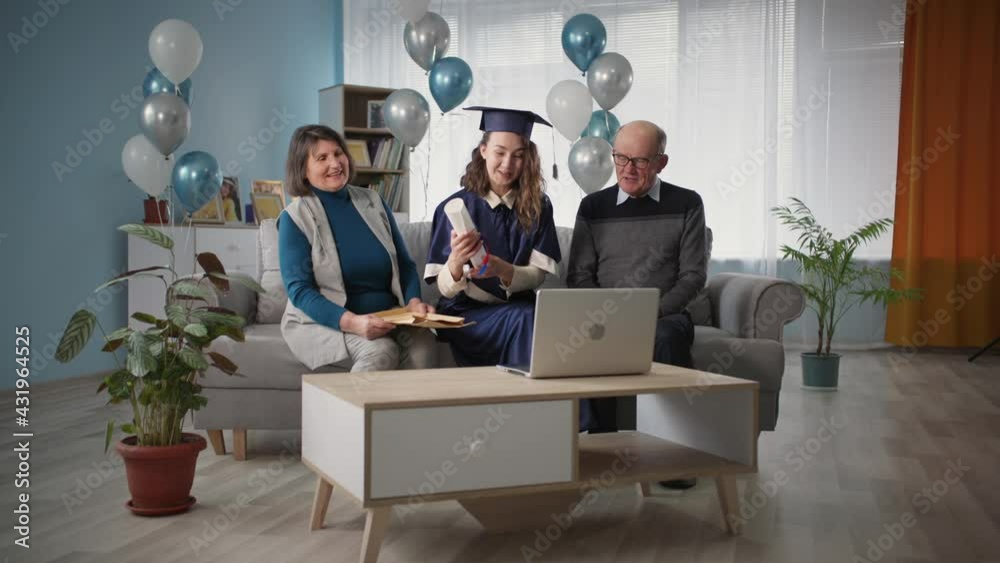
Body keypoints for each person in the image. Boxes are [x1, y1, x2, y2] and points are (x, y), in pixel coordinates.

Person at [567, 120, 707, 486]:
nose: (628, 169)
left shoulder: (687, 203)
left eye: (640, 161)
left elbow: (693, 276)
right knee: (588, 336)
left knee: (664, 338)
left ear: (661, 162)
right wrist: (609, 314)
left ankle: (675, 457)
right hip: (604, 315)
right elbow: (579, 277)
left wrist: (646, 314)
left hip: (666, 316)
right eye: (621, 158)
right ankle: (601, 450)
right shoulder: (592, 207)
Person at [279, 124, 437, 373]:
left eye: (338, 153)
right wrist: (352, 322)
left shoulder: (373, 202)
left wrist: (414, 302)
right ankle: (350, 413)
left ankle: (404, 413)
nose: (335, 163)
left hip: (389, 316)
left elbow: (404, 264)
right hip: (328, 322)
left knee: (424, 346)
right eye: (322, 158)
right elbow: (300, 291)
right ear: (303, 170)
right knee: (381, 351)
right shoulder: (295, 217)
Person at [424, 106, 560, 369]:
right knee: (526, 320)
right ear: (483, 150)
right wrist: (455, 262)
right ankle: (530, 403)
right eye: (499, 152)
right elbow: (442, 287)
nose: (508, 164)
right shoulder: (453, 207)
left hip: (521, 307)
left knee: (537, 320)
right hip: (466, 313)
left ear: (528, 158)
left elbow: (537, 275)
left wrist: (503, 269)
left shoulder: (539, 207)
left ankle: (567, 407)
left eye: (518, 156)